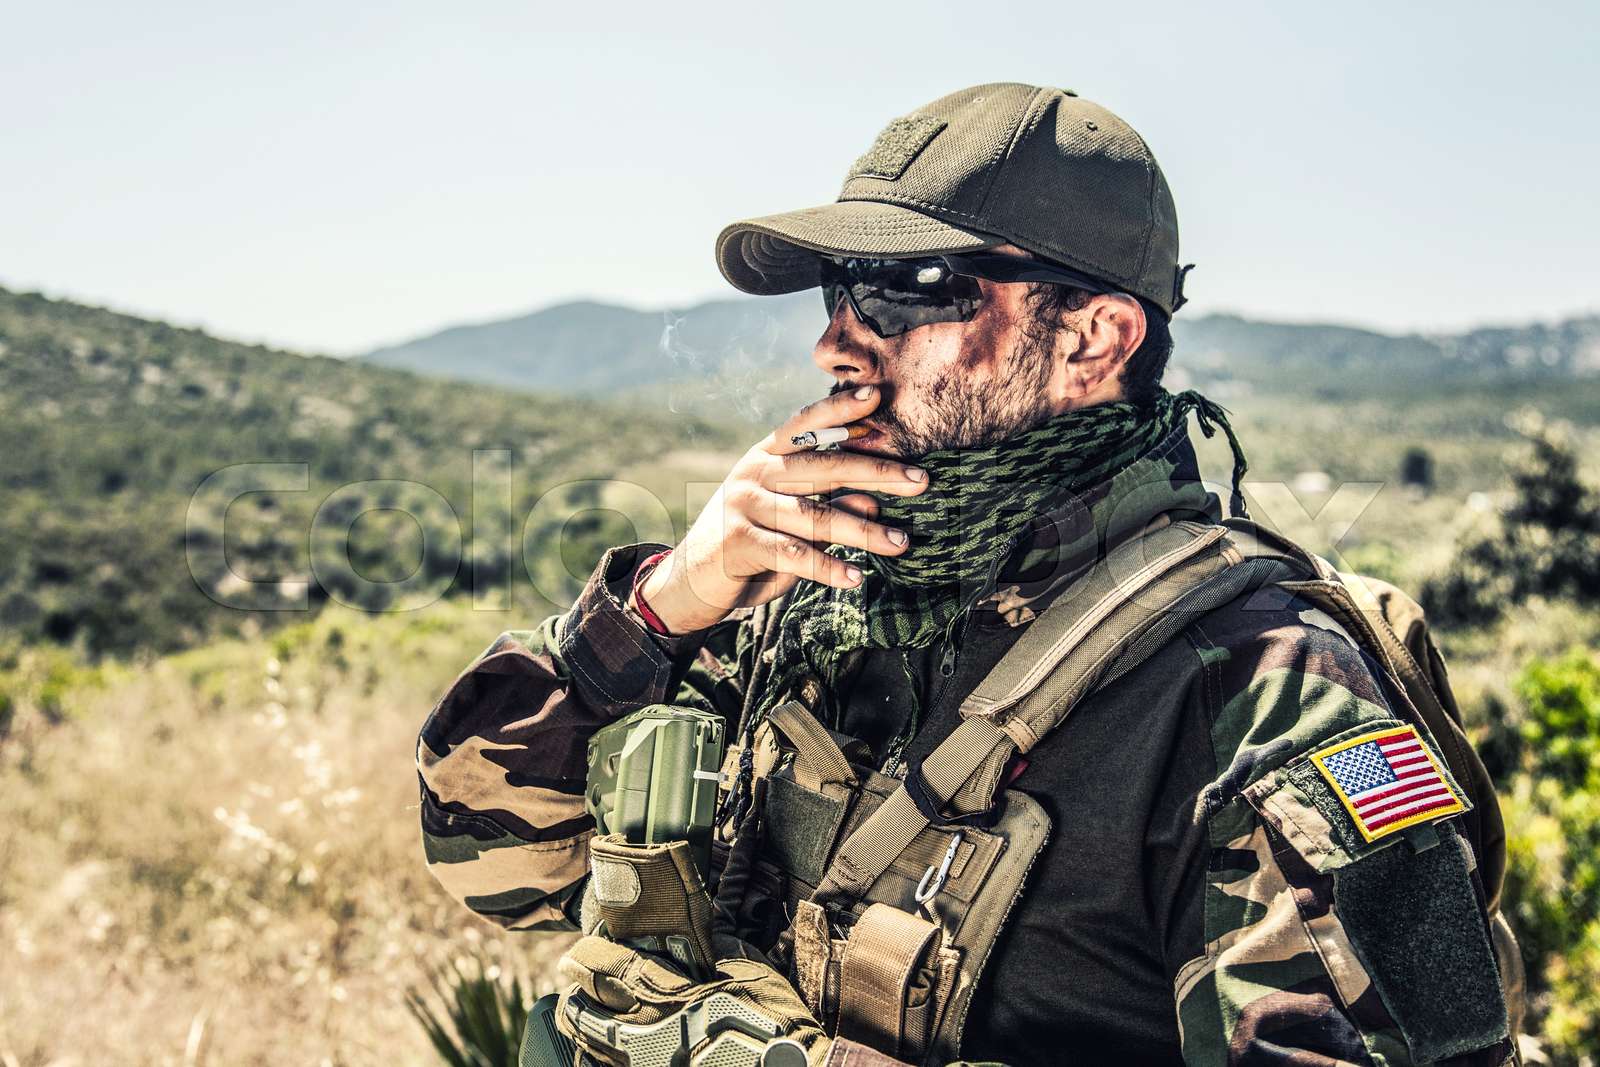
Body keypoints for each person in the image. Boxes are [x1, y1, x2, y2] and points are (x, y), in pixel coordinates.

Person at [416, 83, 1514, 1065]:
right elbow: (490, 858)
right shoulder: (814, 602)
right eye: (839, 290)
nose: (838, 344)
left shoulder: (1258, 686)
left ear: (1094, 338)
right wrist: (664, 605)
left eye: (908, 288)